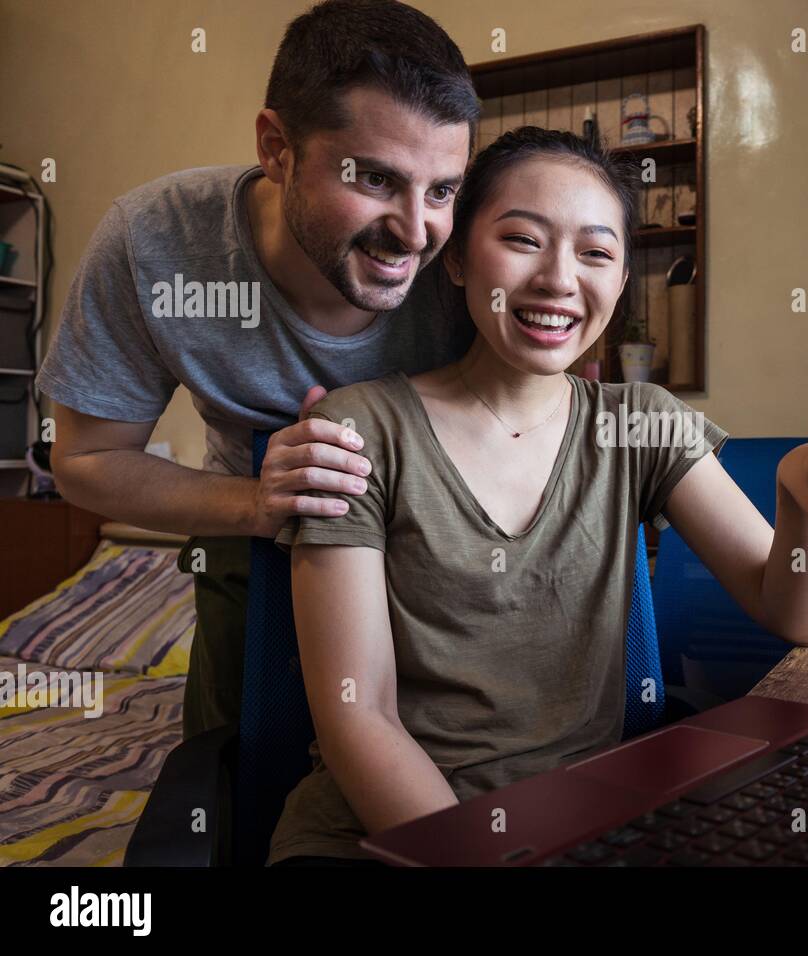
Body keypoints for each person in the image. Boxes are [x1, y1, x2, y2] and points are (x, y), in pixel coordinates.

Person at [266, 127, 808, 865]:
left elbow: (795, 614)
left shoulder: (641, 426)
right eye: (523, 239)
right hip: (378, 835)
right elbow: (361, 717)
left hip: (578, 828)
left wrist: (804, 496)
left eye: (595, 253)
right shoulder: (358, 431)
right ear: (456, 257)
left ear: (619, 283)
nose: (559, 279)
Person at [35, 0, 480, 739]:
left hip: (440, 553)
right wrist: (256, 504)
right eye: (373, 179)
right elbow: (83, 459)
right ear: (277, 148)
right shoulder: (156, 243)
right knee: (236, 776)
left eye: (442, 190)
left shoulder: (471, 255)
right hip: (248, 547)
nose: (414, 232)